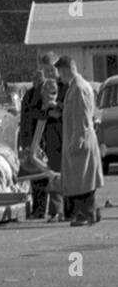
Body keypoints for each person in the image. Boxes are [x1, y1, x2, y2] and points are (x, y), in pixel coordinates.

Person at [55, 56, 103, 225]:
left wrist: (78, 140)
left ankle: (86, 214)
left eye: (60, 72)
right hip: (80, 137)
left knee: (82, 179)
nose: (59, 77)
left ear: (66, 70)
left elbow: (81, 116)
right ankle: (91, 212)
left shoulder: (78, 88)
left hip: (81, 139)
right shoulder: (77, 87)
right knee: (82, 177)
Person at [20, 53, 63, 219]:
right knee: (35, 177)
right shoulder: (32, 93)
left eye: (51, 70)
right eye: (46, 70)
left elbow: (55, 112)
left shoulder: (58, 89)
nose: (49, 74)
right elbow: (27, 116)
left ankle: (52, 210)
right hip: (33, 139)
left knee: (50, 175)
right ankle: (38, 210)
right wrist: (25, 142)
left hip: (50, 139)